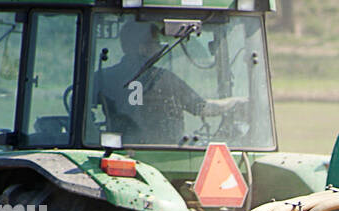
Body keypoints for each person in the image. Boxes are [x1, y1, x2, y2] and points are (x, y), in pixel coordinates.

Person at [93, 21, 244, 145]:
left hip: (118, 154)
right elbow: (203, 108)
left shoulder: (102, 77)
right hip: (166, 154)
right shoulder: (165, 79)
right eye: (156, 43)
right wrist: (234, 102)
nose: (160, 48)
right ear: (143, 48)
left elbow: (78, 107)